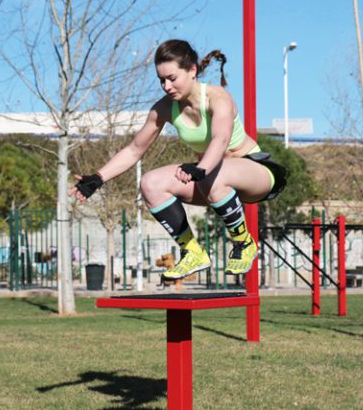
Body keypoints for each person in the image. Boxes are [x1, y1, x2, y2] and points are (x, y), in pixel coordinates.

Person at [70, 39, 287, 280]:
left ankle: (244, 243)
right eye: (161, 80)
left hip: (257, 173)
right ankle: (192, 252)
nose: (166, 86)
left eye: (172, 78)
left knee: (212, 175)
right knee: (150, 183)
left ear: (192, 70)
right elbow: (134, 149)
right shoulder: (164, 108)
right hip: (212, 181)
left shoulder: (217, 98)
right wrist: (98, 179)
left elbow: (220, 139)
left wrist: (201, 168)